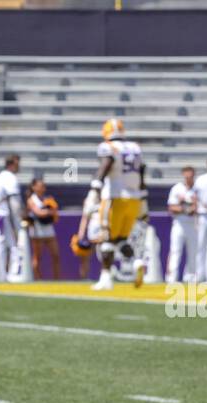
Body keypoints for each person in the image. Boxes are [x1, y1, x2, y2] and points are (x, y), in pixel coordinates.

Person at [87, 118, 146, 290]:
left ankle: (105, 278)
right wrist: (143, 200)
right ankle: (136, 262)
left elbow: (106, 164)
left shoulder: (109, 147)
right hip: (134, 199)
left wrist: (95, 186)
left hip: (114, 197)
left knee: (106, 238)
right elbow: (142, 171)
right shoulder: (135, 147)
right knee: (120, 240)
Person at [0, 154, 21, 281]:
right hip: (5, 215)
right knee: (11, 244)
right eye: (17, 163)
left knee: (3, 244)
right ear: (12, 164)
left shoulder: (1, 176)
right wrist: (17, 219)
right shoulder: (9, 177)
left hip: (1, 214)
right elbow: (13, 199)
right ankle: (12, 273)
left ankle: (3, 273)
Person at [166, 166, 198, 283]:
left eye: (190, 176)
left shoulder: (197, 189)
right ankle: (171, 277)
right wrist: (186, 209)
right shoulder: (177, 188)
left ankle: (190, 277)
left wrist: (191, 207)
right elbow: (171, 207)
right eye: (186, 176)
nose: (188, 179)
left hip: (193, 223)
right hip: (179, 223)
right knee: (175, 250)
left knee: (193, 251)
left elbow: (199, 206)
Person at [26, 177, 60, 279]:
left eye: (43, 186)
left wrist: (51, 211)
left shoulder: (47, 199)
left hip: (49, 230)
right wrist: (50, 212)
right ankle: (37, 279)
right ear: (34, 187)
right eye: (40, 186)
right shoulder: (31, 200)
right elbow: (38, 213)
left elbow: (55, 213)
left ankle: (56, 280)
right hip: (37, 232)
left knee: (55, 255)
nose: (42, 188)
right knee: (37, 257)